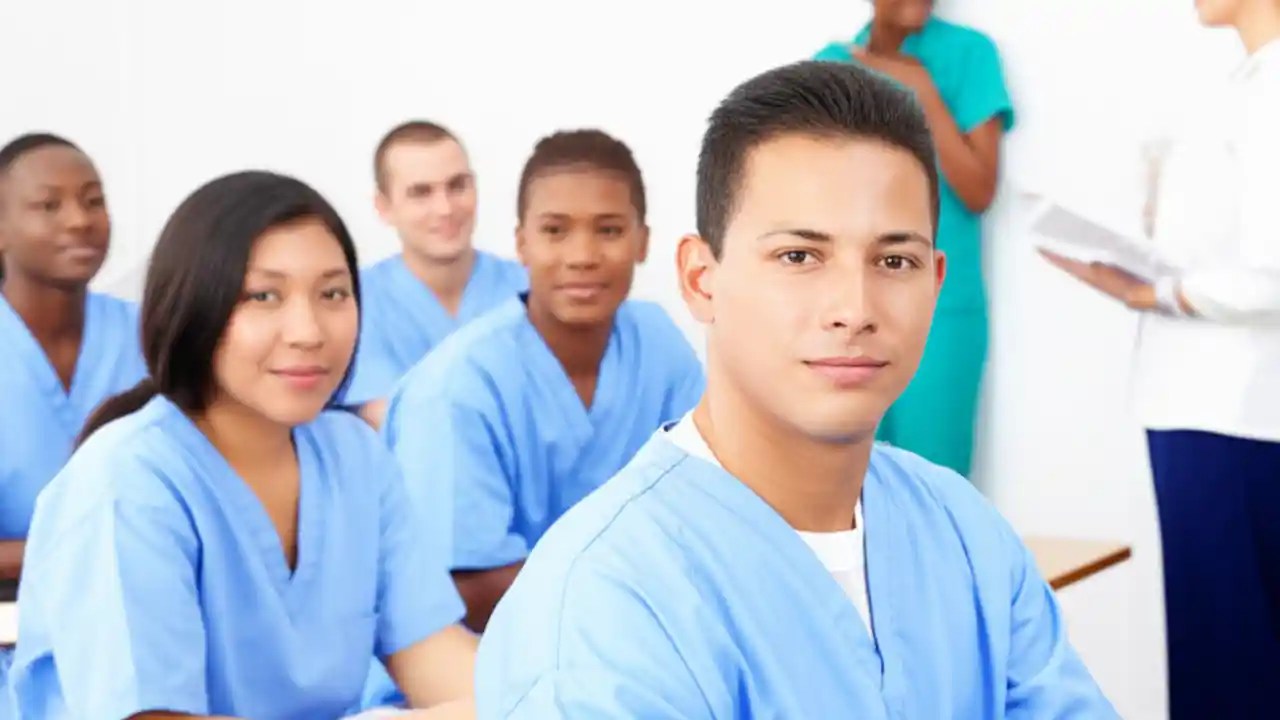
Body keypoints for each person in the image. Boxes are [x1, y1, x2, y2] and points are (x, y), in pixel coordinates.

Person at [474, 61, 1114, 719]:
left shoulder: (964, 533)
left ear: (937, 280)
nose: (854, 308)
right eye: (799, 257)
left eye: (895, 261)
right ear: (701, 279)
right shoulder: (608, 600)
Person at [7, 171, 477, 719]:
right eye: (263, 295)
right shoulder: (127, 481)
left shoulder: (355, 458)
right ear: (195, 305)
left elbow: (434, 656)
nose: (307, 330)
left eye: (332, 293)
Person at [1042, 0, 1280, 715]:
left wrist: (1156, 293)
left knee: (1229, 658)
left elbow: (1271, 273)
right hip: (1218, 413)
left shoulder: (1270, 92)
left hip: (1228, 417)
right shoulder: (1248, 85)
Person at [385, 128, 704, 632]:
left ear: (644, 241)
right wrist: (646, 603)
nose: (582, 256)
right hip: (482, 659)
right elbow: (472, 590)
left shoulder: (659, 345)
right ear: (521, 243)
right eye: (555, 230)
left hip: (644, 642)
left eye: (609, 230)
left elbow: (709, 507)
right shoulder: (456, 389)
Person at [813, 0, 1014, 476]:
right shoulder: (831, 65)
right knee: (843, 479)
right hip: (847, 308)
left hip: (941, 312)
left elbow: (979, 189)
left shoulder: (970, 54)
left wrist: (920, 91)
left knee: (934, 483)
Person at [0, 133, 146, 581]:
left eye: (93, 201)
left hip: (136, 606)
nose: (80, 220)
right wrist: (85, 548)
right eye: (49, 206)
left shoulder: (152, 337)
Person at [347, 121, 527, 427]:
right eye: (421, 193)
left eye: (457, 186)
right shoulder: (355, 302)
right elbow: (383, 417)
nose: (445, 208)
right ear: (384, 206)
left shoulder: (529, 289)